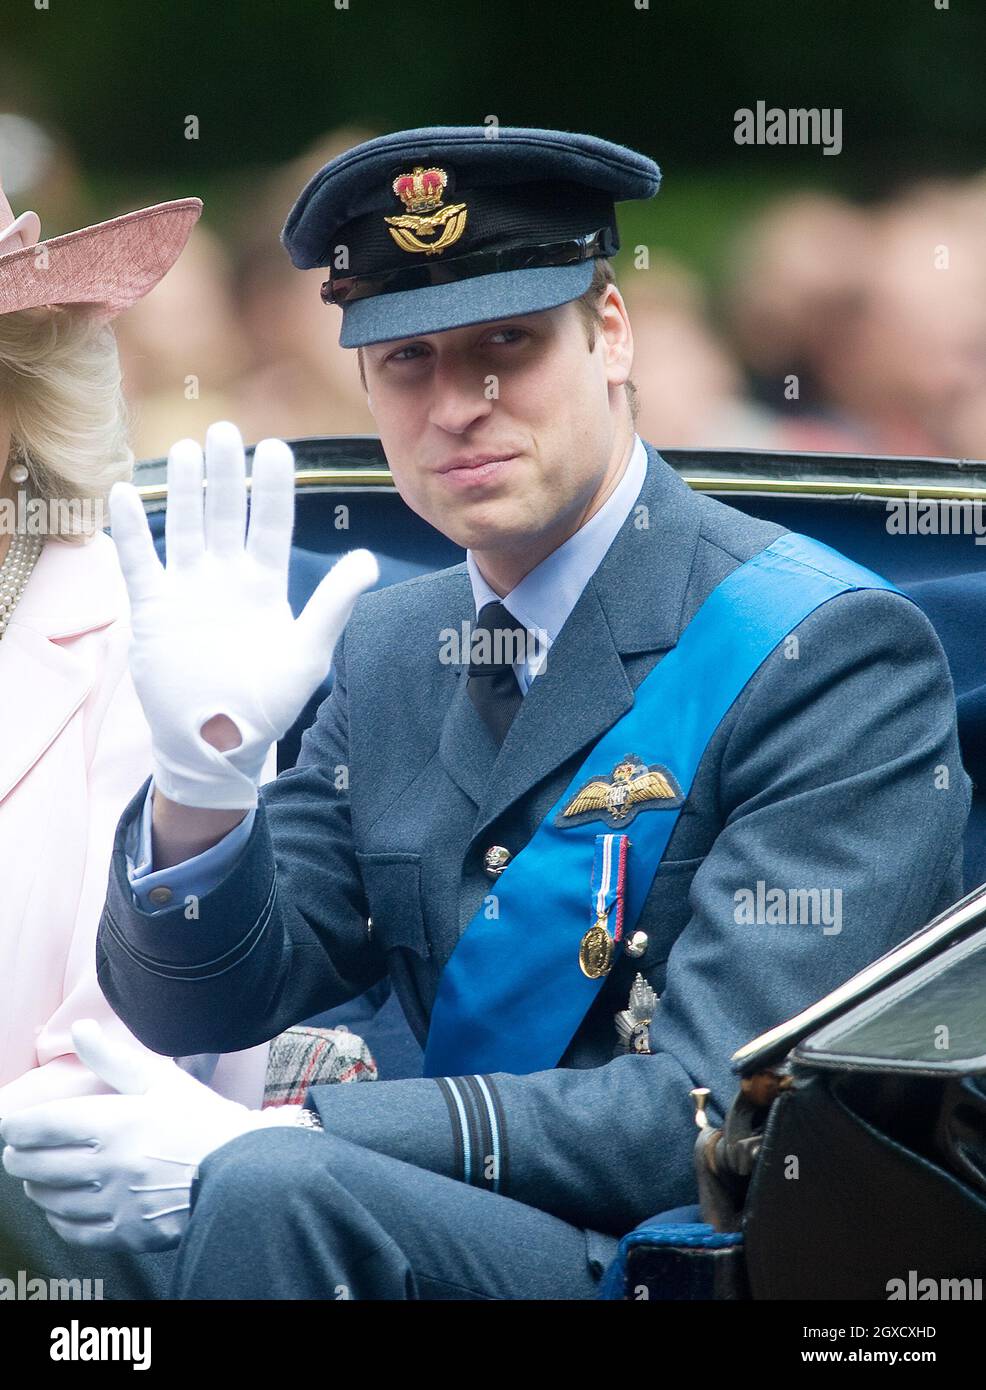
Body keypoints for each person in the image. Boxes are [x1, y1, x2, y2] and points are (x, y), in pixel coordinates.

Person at [2, 126, 970, 1300]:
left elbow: (717, 1115)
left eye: (505, 344)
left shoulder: (823, 650)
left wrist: (310, 1138)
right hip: (428, 1232)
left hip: (687, 1263)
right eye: (406, 359)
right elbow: (206, 1002)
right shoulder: (393, 643)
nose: (459, 404)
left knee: (263, 1189)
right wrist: (200, 793)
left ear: (608, 334)